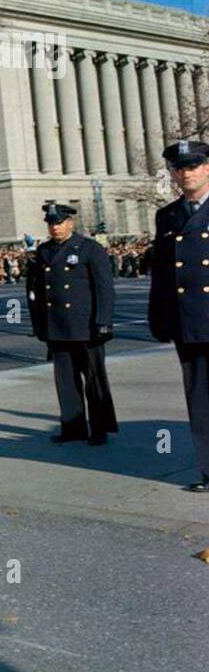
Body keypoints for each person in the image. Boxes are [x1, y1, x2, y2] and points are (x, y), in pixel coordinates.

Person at [26, 201, 117, 446]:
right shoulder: (44, 252)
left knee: (94, 381)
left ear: (70, 223)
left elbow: (104, 288)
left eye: (59, 223)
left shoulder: (89, 249)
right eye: (51, 224)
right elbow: (35, 291)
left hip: (86, 326)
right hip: (57, 326)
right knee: (66, 381)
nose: (55, 228)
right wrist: (39, 325)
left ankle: (99, 428)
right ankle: (73, 427)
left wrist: (104, 321)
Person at [148, 139, 209, 491]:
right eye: (179, 168)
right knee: (200, 401)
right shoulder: (168, 215)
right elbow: (162, 271)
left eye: (193, 166)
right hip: (189, 322)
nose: (185, 173)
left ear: (206, 168)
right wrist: (158, 316)